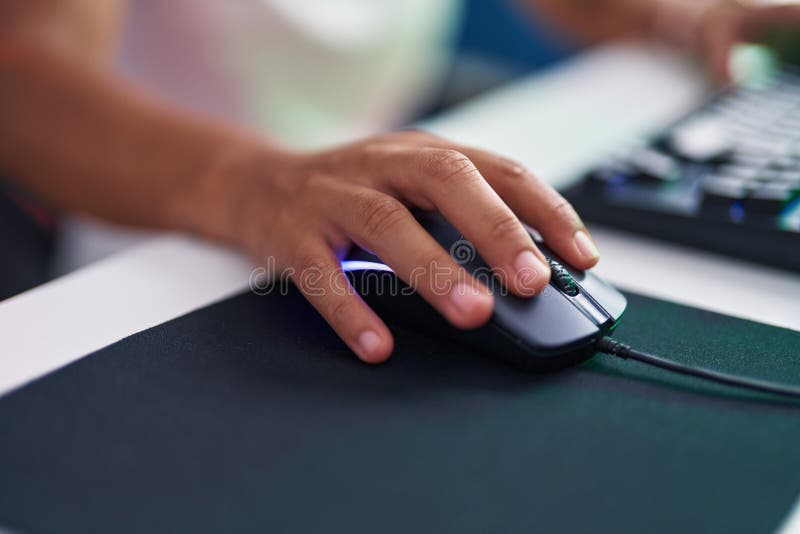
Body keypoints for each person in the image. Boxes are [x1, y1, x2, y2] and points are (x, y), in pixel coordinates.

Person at [1, 0, 798, 363]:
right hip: (158, 241)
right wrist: (253, 184)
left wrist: (684, 16)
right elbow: (21, 79)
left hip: (381, 199)